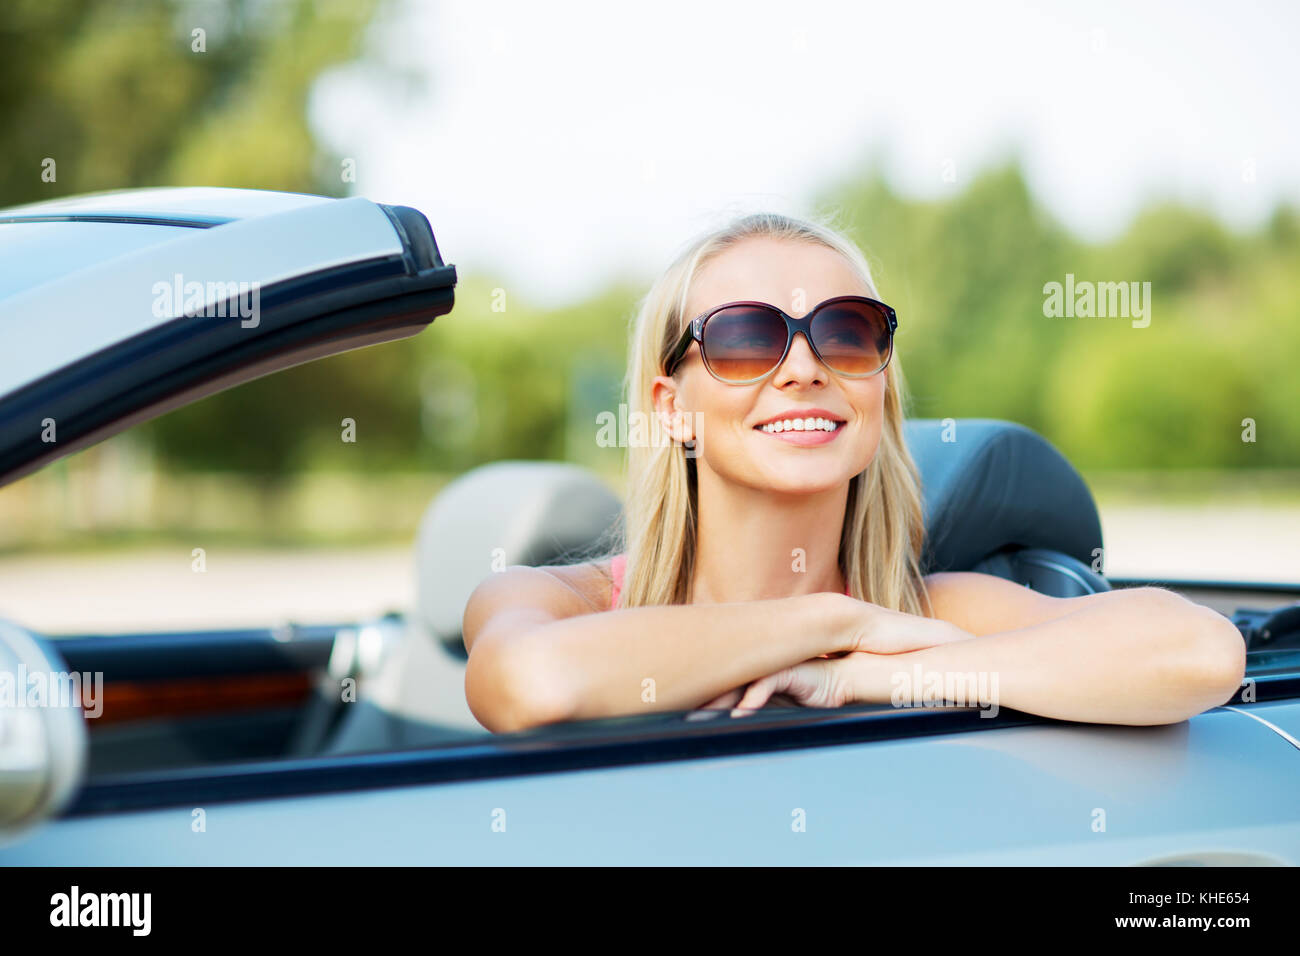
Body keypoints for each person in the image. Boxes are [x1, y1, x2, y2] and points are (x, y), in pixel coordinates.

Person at [462, 211, 1245, 733]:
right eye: (744, 338)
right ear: (671, 408)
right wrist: (832, 624)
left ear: (879, 385)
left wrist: (864, 676)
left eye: (846, 332)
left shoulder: (929, 610)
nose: (804, 366)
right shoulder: (564, 603)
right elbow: (527, 683)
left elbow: (1200, 654)